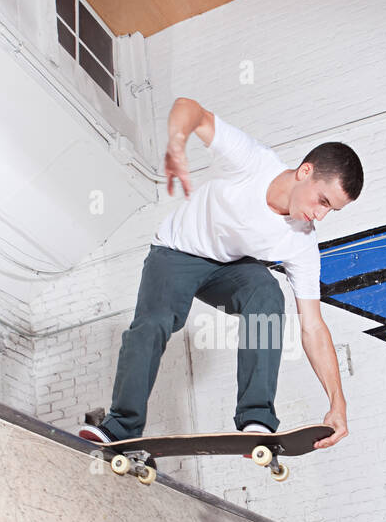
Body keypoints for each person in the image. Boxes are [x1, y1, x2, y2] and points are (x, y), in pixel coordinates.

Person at [80, 96, 363, 455]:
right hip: (176, 252)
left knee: (266, 292)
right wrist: (177, 144)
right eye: (322, 201)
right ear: (305, 171)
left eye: (331, 210)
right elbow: (189, 109)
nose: (319, 216)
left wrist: (338, 403)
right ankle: (120, 427)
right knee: (153, 323)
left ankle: (256, 419)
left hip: (229, 269)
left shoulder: (302, 243)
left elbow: (313, 327)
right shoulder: (251, 161)